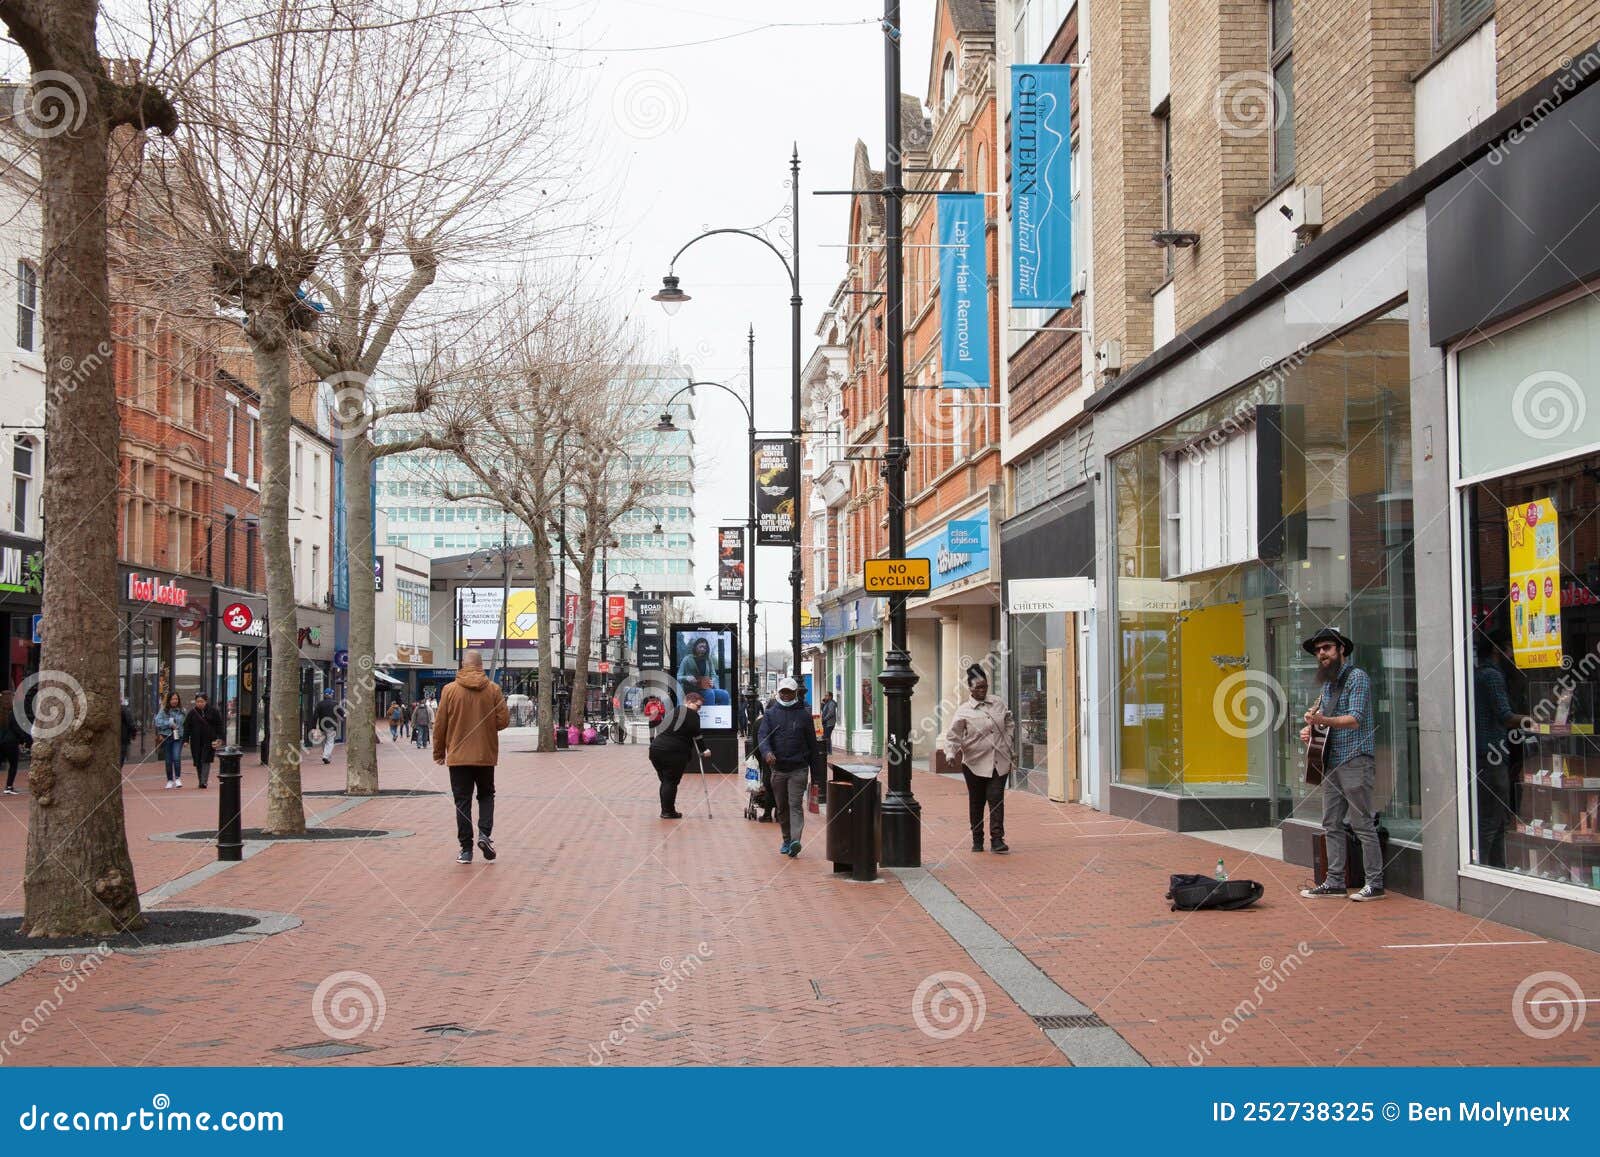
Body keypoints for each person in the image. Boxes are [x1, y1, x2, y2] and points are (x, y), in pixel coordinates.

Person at [1298, 627, 1384, 902]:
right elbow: (1323, 719)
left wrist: (1322, 721)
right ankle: (1334, 882)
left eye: (1327, 648)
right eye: (1318, 650)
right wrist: (1310, 729)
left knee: (1362, 823)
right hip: (1332, 760)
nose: (1321, 653)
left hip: (1355, 759)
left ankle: (1375, 884)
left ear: (1341, 649)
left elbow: (1355, 718)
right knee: (1331, 822)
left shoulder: (1357, 677)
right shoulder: (1328, 684)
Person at [432, 651, 510, 864]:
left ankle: (466, 849)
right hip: (485, 755)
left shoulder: (449, 690)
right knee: (486, 795)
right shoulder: (493, 689)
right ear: (481, 666)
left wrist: (439, 753)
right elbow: (503, 720)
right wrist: (487, 727)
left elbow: (440, 725)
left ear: (462, 666)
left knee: (462, 801)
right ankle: (484, 833)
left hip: (458, 757)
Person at [943, 664, 1016, 854]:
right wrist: (950, 753)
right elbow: (953, 735)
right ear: (970, 688)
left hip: (999, 761)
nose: (982, 690)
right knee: (977, 802)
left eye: (985, 686)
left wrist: (1008, 738)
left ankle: (997, 839)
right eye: (978, 687)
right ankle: (977, 839)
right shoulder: (963, 710)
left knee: (996, 798)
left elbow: (1009, 721)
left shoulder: (998, 703)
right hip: (974, 763)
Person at [757, 677, 822, 858]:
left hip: (798, 769)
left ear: (795, 693)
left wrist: (816, 776)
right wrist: (767, 752)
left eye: (789, 692)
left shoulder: (804, 715)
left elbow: (813, 746)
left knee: (795, 804)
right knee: (782, 807)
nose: (786, 695)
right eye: (783, 692)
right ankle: (786, 840)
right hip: (778, 769)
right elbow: (763, 737)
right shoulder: (770, 714)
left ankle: (795, 841)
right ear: (779, 693)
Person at [647, 691, 711, 819]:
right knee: (670, 781)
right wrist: (704, 750)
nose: (698, 710)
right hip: (673, 752)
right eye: (697, 706)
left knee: (666, 781)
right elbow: (697, 735)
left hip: (656, 749)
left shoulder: (674, 711)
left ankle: (666, 810)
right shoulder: (692, 714)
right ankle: (668, 812)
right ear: (689, 702)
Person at [183, 692, 224, 789]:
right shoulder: (192, 713)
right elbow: (187, 727)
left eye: (202, 701)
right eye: (197, 701)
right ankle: (200, 779)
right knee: (198, 760)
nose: (199, 703)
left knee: (206, 759)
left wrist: (219, 738)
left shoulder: (213, 711)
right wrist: (186, 740)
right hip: (196, 740)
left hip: (209, 740)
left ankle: (203, 781)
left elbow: (219, 725)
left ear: (206, 701)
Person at [676, 637, 731, 706]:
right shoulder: (687, 659)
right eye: (701, 647)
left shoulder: (708, 659)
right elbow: (678, 676)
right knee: (709, 693)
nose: (702, 649)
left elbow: (714, 675)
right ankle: (709, 713)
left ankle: (720, 713)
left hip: (705, 688)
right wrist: (687, 678)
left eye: (705, 647)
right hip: (691, 691)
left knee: (724, 694)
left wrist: (712, 681)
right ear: (695, 647)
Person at [154, 692, 186, 789]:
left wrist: (186, 738)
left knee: (176, 757)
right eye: (172, 699)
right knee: (168, 760)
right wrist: (169, 723)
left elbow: (185, 724)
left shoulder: (182, 711)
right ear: (169, 700)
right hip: (167, 737)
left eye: (176, 699)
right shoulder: (163, 711)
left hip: (178, 737)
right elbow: (157, 722)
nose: (174, 701)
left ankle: (178, 778)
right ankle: (170, 780)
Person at [0, 690, 21, 795]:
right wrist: (26, 740)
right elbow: (17, 729)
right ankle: (9, 787)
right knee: (13, 765)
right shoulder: (13, 713)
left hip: (1, 742)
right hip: (11, 743)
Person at [312, 690, 340, 763]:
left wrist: (313, 727)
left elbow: (315, 716)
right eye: (332, 694)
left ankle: (326, 757)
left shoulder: (319, 704)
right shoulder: (335, 703)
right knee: (330, 742)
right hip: (332, 726)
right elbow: (342, 713)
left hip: (322, 726)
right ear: (330, 695)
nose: (332, 695)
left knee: (324, 742)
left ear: (324, 695)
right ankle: (325, 756)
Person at [119, 698, 138, 767]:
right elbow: (131, 723)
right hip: (123, 737)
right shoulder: (124, 710)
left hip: (118, 737)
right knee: (121, 757)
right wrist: (134, 733)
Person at [819, 690, 838, 755]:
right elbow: (823, 711)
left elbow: (831, 713)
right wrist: (822, 704)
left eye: (826, 695)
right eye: (825, 695)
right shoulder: (827, 703)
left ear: (830, 697)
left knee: (826, 736)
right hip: (826, 722)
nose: (825, 697)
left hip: (829, 723)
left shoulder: (831, 703)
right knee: (827, 736)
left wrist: (824, 719)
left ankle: (828, 751)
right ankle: (828, 751)